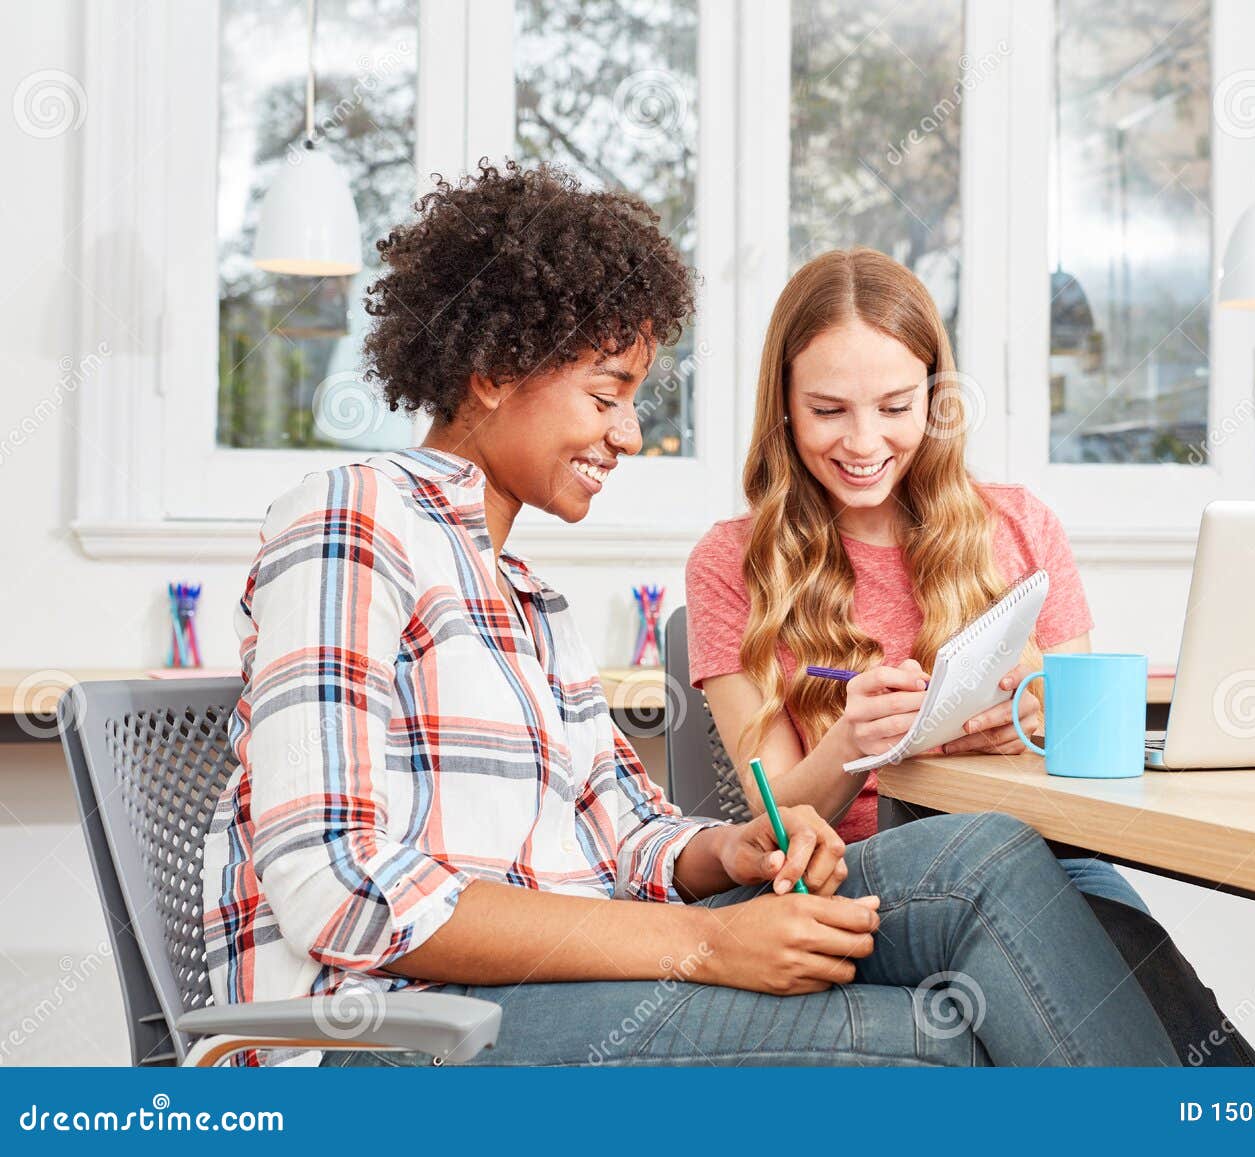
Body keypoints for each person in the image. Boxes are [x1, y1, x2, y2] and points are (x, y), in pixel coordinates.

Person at [199, 161, 1179, 1068]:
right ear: (493, 371)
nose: (628, 433)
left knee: (986, 856)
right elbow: (339, 887)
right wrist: (702, 940)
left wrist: (731, 851)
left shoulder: (523, 598)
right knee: (929, 1036)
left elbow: (627, 835)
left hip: (551, 982)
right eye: (607, 394)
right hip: (387, 1028)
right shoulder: (354, 516)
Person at [686, 246, 1255, 1066]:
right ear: (781, 406)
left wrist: (1041, 711)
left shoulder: (1018, 526)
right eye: (827, 410)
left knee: (1133, 951)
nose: (864, 440)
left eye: (894, 405)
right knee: (1041, 901)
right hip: (861, 875)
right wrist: (852, 743)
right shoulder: (733, 561)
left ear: (934, 395)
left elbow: (1095, 758)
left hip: (1041, 855)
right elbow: (773, 809)